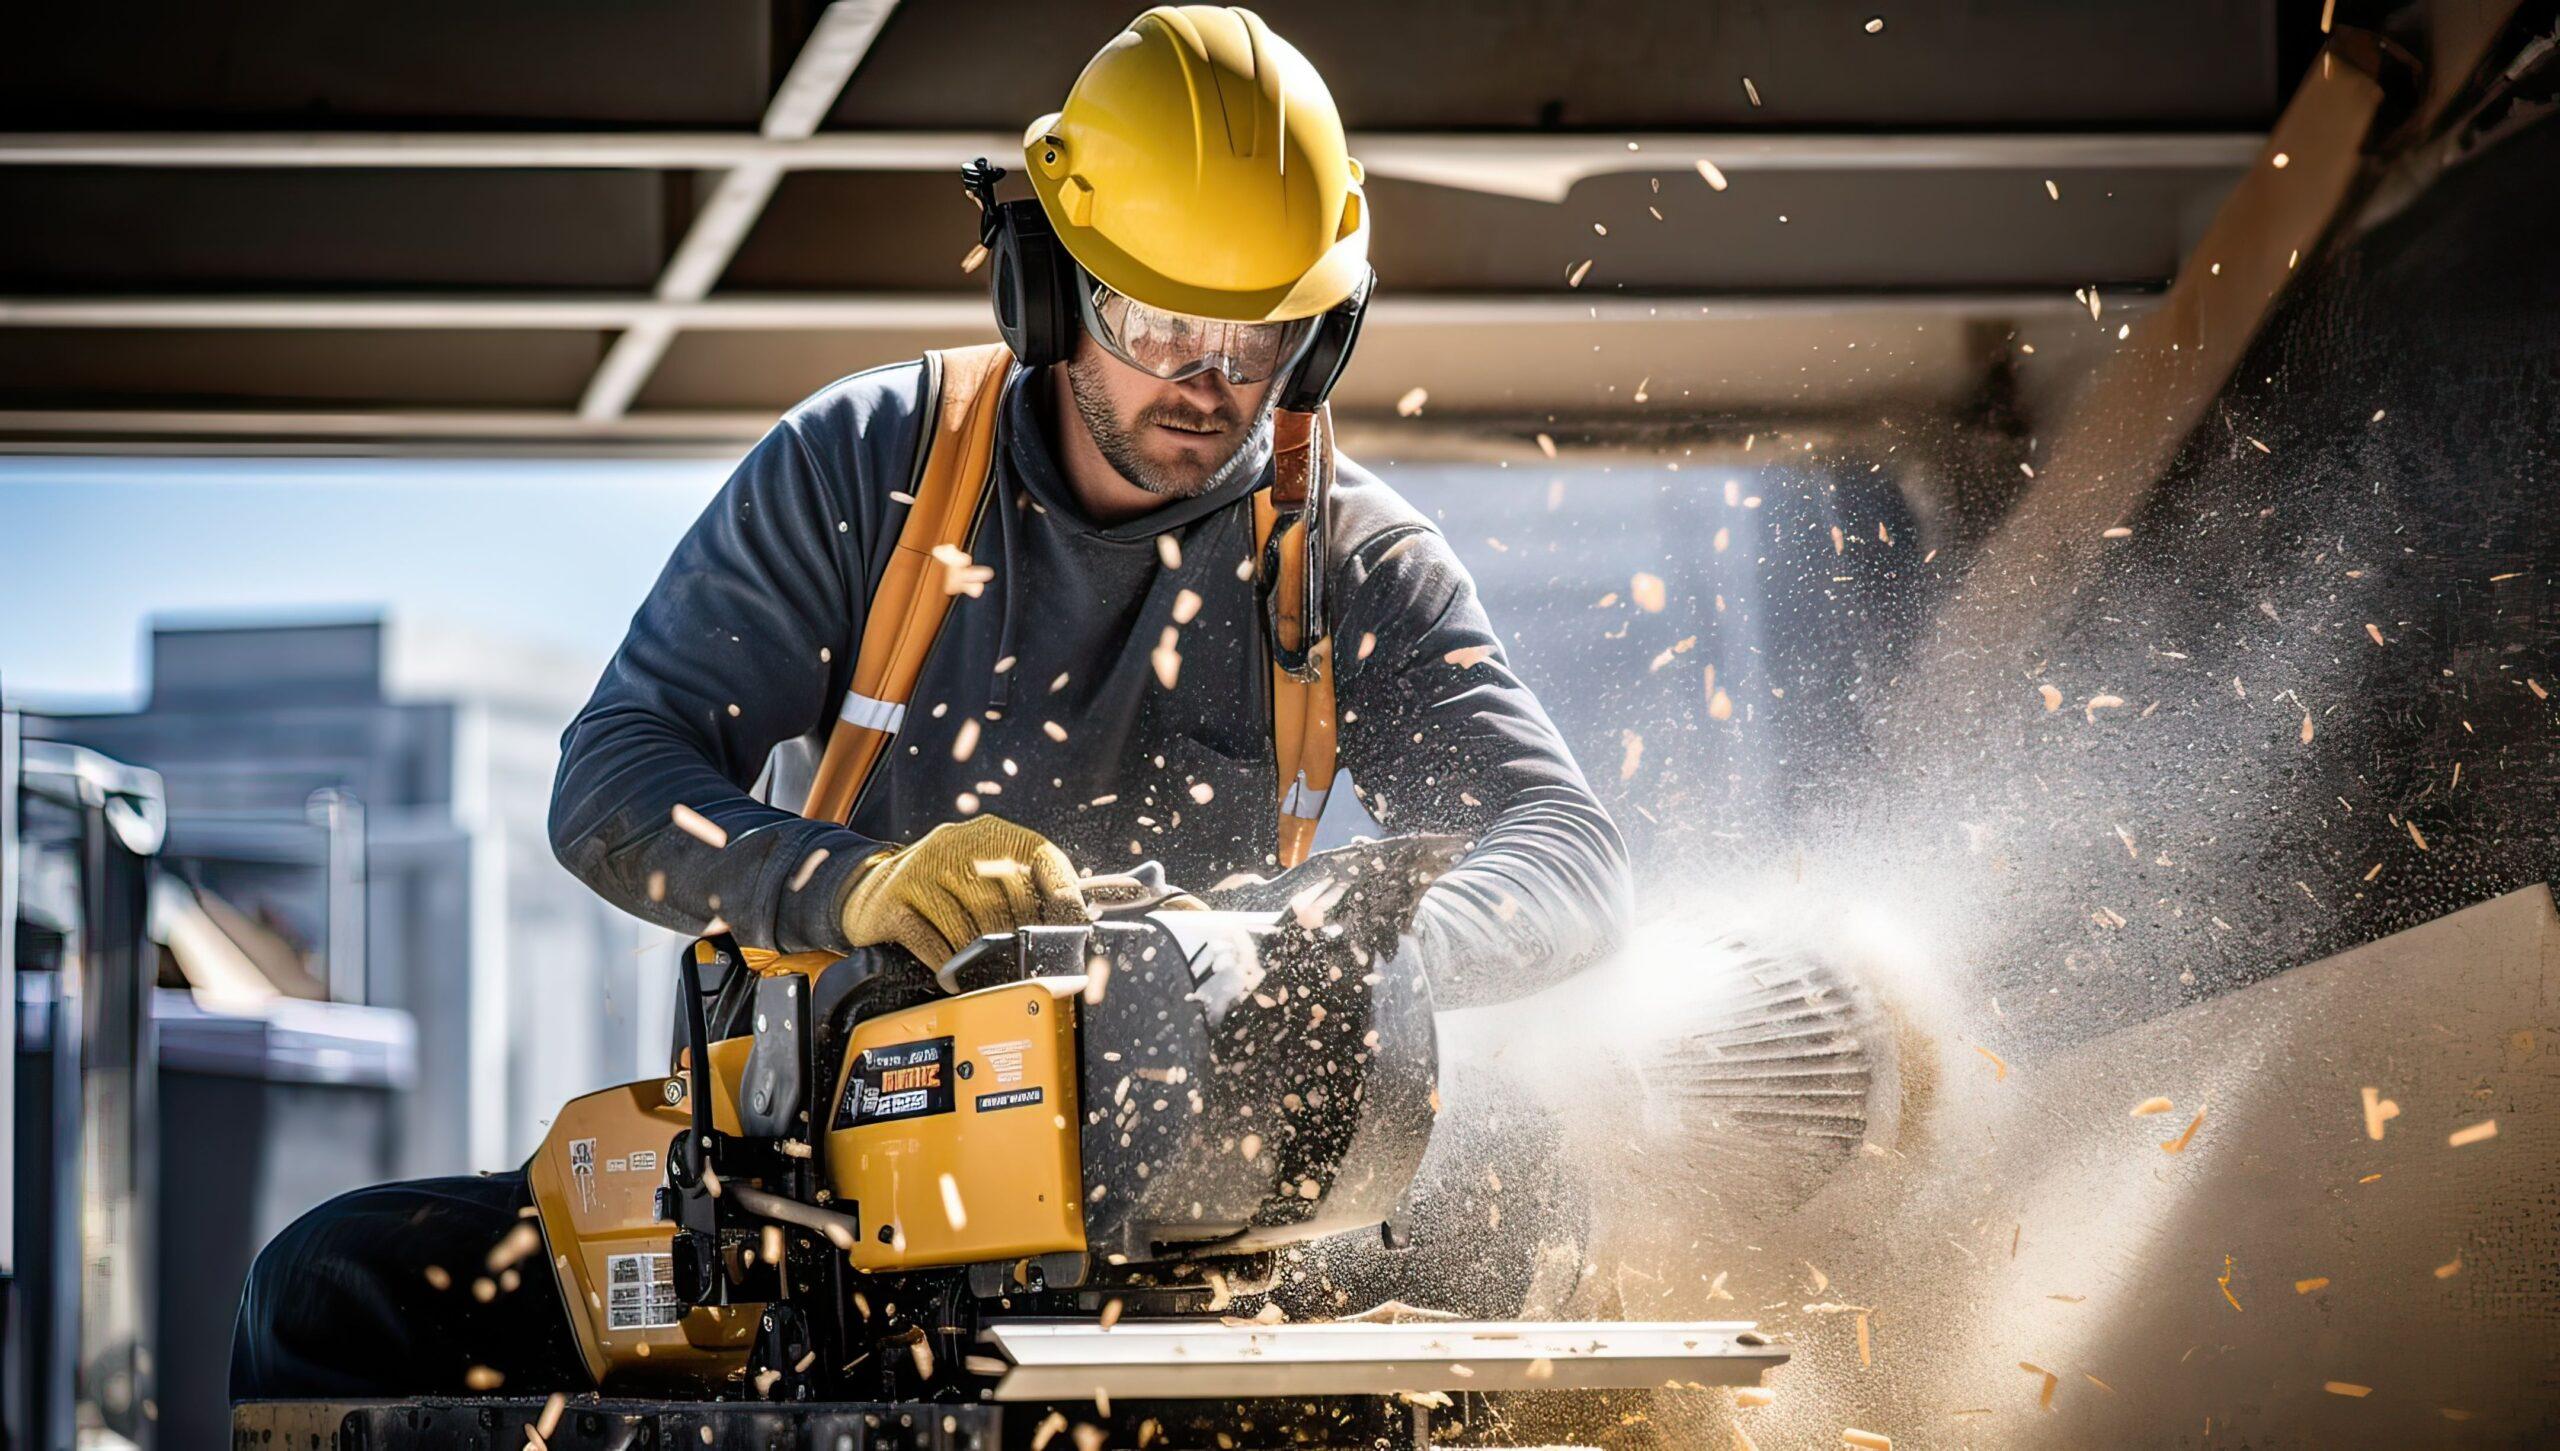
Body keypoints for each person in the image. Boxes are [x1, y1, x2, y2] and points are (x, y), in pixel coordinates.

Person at [232, 4, 1626, 1398]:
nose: (1209, 386)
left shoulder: (1349, 559)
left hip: (1202, 1213)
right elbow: (612, 782)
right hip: (825, 1202)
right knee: (333, 1288)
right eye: (1156, 323)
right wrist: (858, 887)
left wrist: (1322, 953)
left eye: (1257, 339)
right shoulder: (872, 469)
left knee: (1527, 1213)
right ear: (1047, 283)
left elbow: (1568, 854)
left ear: (1321, 337)